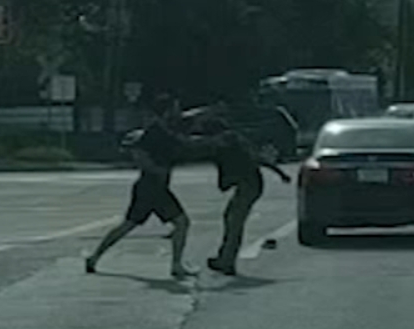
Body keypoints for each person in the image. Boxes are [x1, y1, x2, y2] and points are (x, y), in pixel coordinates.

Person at [86, 95, 197, 278]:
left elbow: (188, 119)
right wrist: (156, 169)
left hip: (152, 186)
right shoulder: (155, 130)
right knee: (182, 222)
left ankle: (94, 257)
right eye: (175, 108)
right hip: (152, 186)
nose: (178, 112)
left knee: (129, 224)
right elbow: (138, 152)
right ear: (167, 111)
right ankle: (176, 265)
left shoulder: (164, 128)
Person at [199, 111, 290, 276]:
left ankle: (227, 261)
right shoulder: (234, 139)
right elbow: (257, 158)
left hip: (249, 185)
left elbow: (253, 157)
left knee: (235, 223)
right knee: (229, 217)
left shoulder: (226, 141)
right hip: (250, 184)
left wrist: (280, 172)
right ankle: (224, 257)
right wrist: (279, 172)